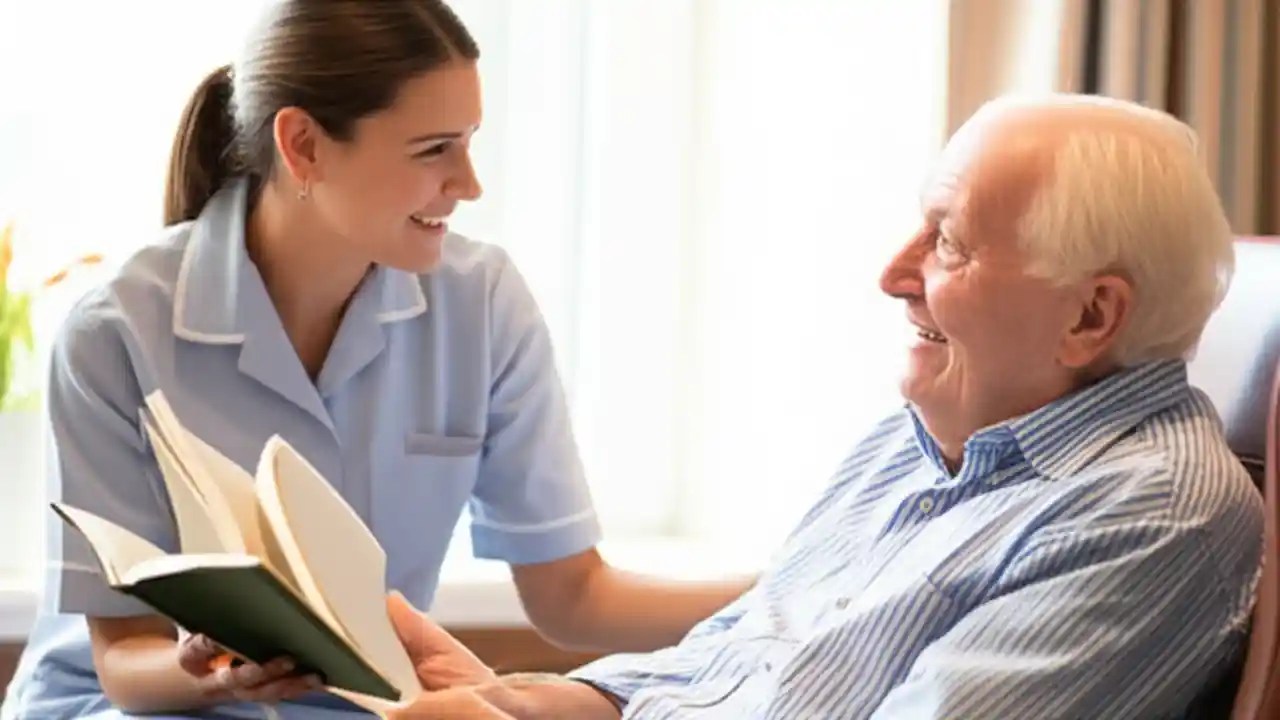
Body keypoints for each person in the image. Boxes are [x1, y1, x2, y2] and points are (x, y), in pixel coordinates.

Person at [365, 93, 1267, 719]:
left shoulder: (1155, 511)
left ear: (1091, 316)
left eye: (949, 243)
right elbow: (732, 664)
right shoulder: (914, 442)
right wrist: (532, 705)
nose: (894, 274)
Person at [0, 2, 750, 719]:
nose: (469, 184)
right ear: (304, 145)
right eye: (433, 150)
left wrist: (798, 591)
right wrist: (214, 674)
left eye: (469, 141)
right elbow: (122, 663)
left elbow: (572, 597)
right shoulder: (115, 331)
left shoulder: (483, 302)